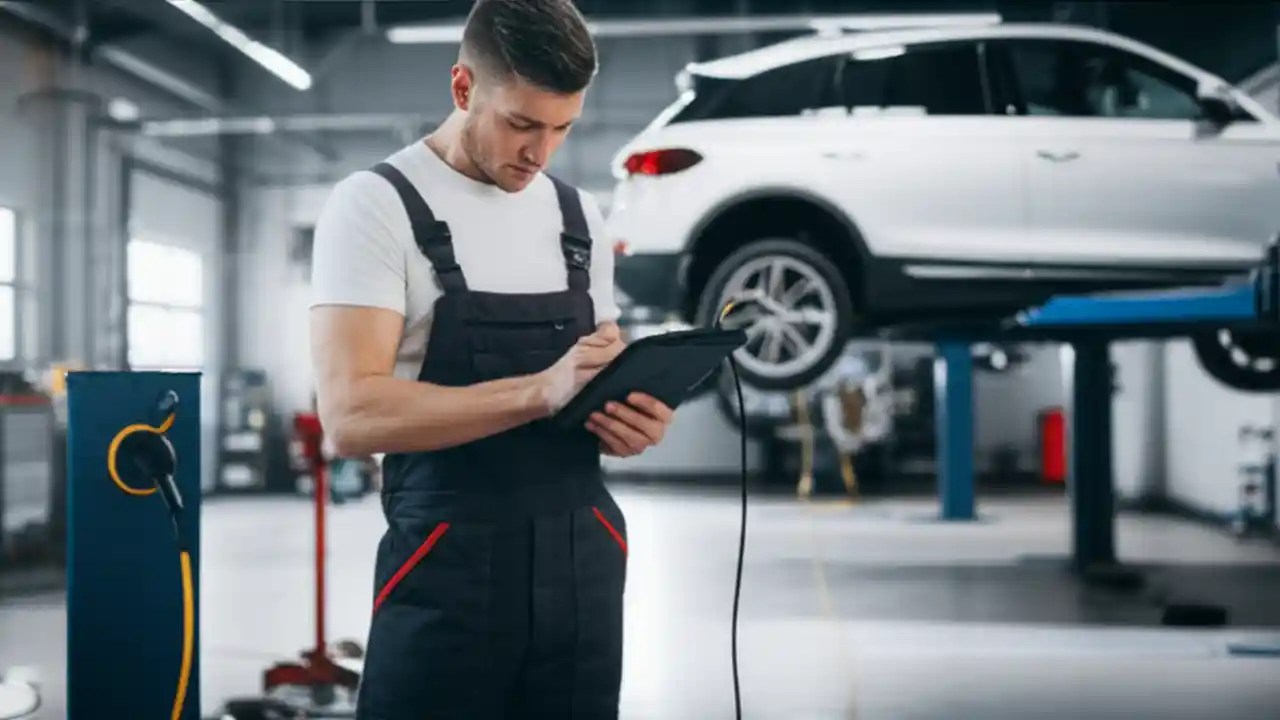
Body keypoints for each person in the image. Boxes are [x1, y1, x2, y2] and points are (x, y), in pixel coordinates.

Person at [307, 1, 676, 717]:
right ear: (463, 88)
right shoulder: (376, 207)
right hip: (448, 569)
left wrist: (632, 417)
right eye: (521, 124)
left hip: (583, 563)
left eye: (562, 128)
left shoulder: (578, 218)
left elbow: (588, 380)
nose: (541, 153)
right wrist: (539, 391)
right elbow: (350, 416)